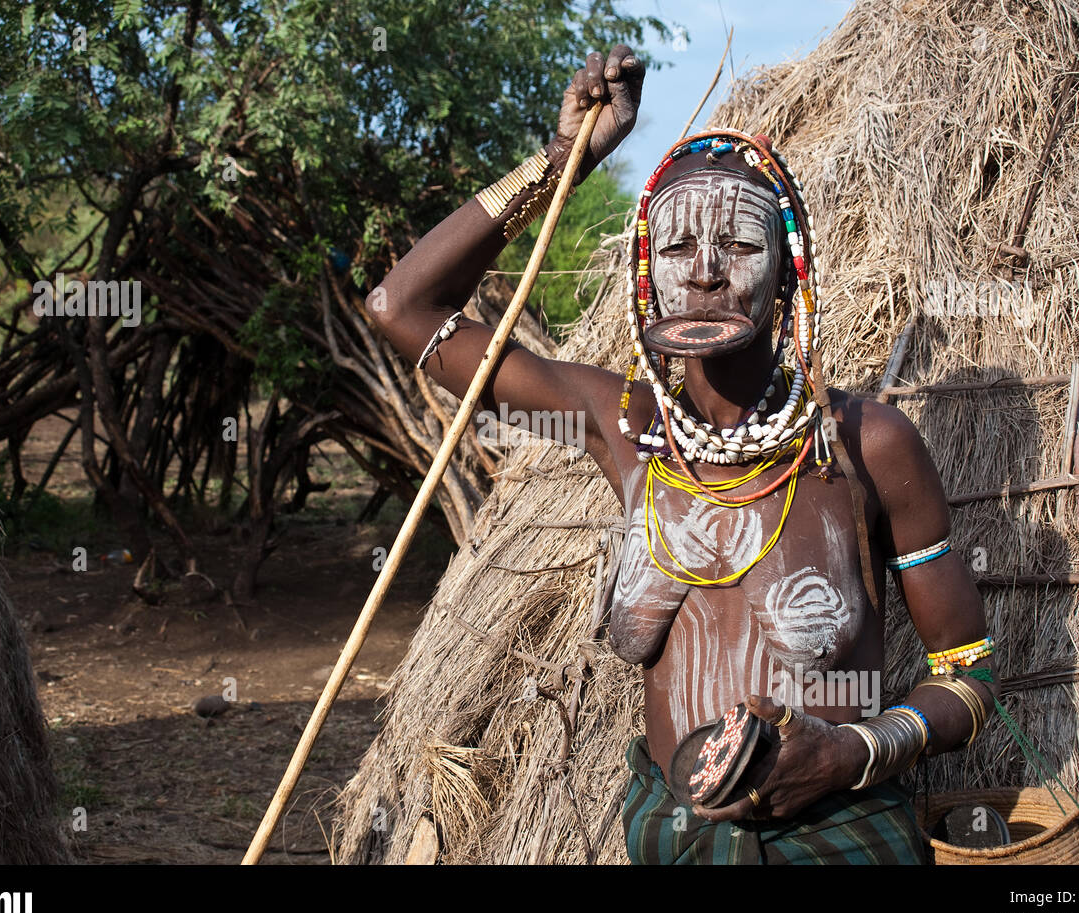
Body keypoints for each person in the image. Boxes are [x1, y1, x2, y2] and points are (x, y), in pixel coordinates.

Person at [369, 44, 997, 864]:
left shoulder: (863, 446)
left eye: (737, 246)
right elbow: (402, 306)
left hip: (840, 836)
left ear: (787, 271)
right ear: (646, 277)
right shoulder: (622, 427)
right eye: (676, 250)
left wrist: (855, 751)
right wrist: (563, 162)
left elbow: (970, 674)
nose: (703, 272)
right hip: (674, 837)